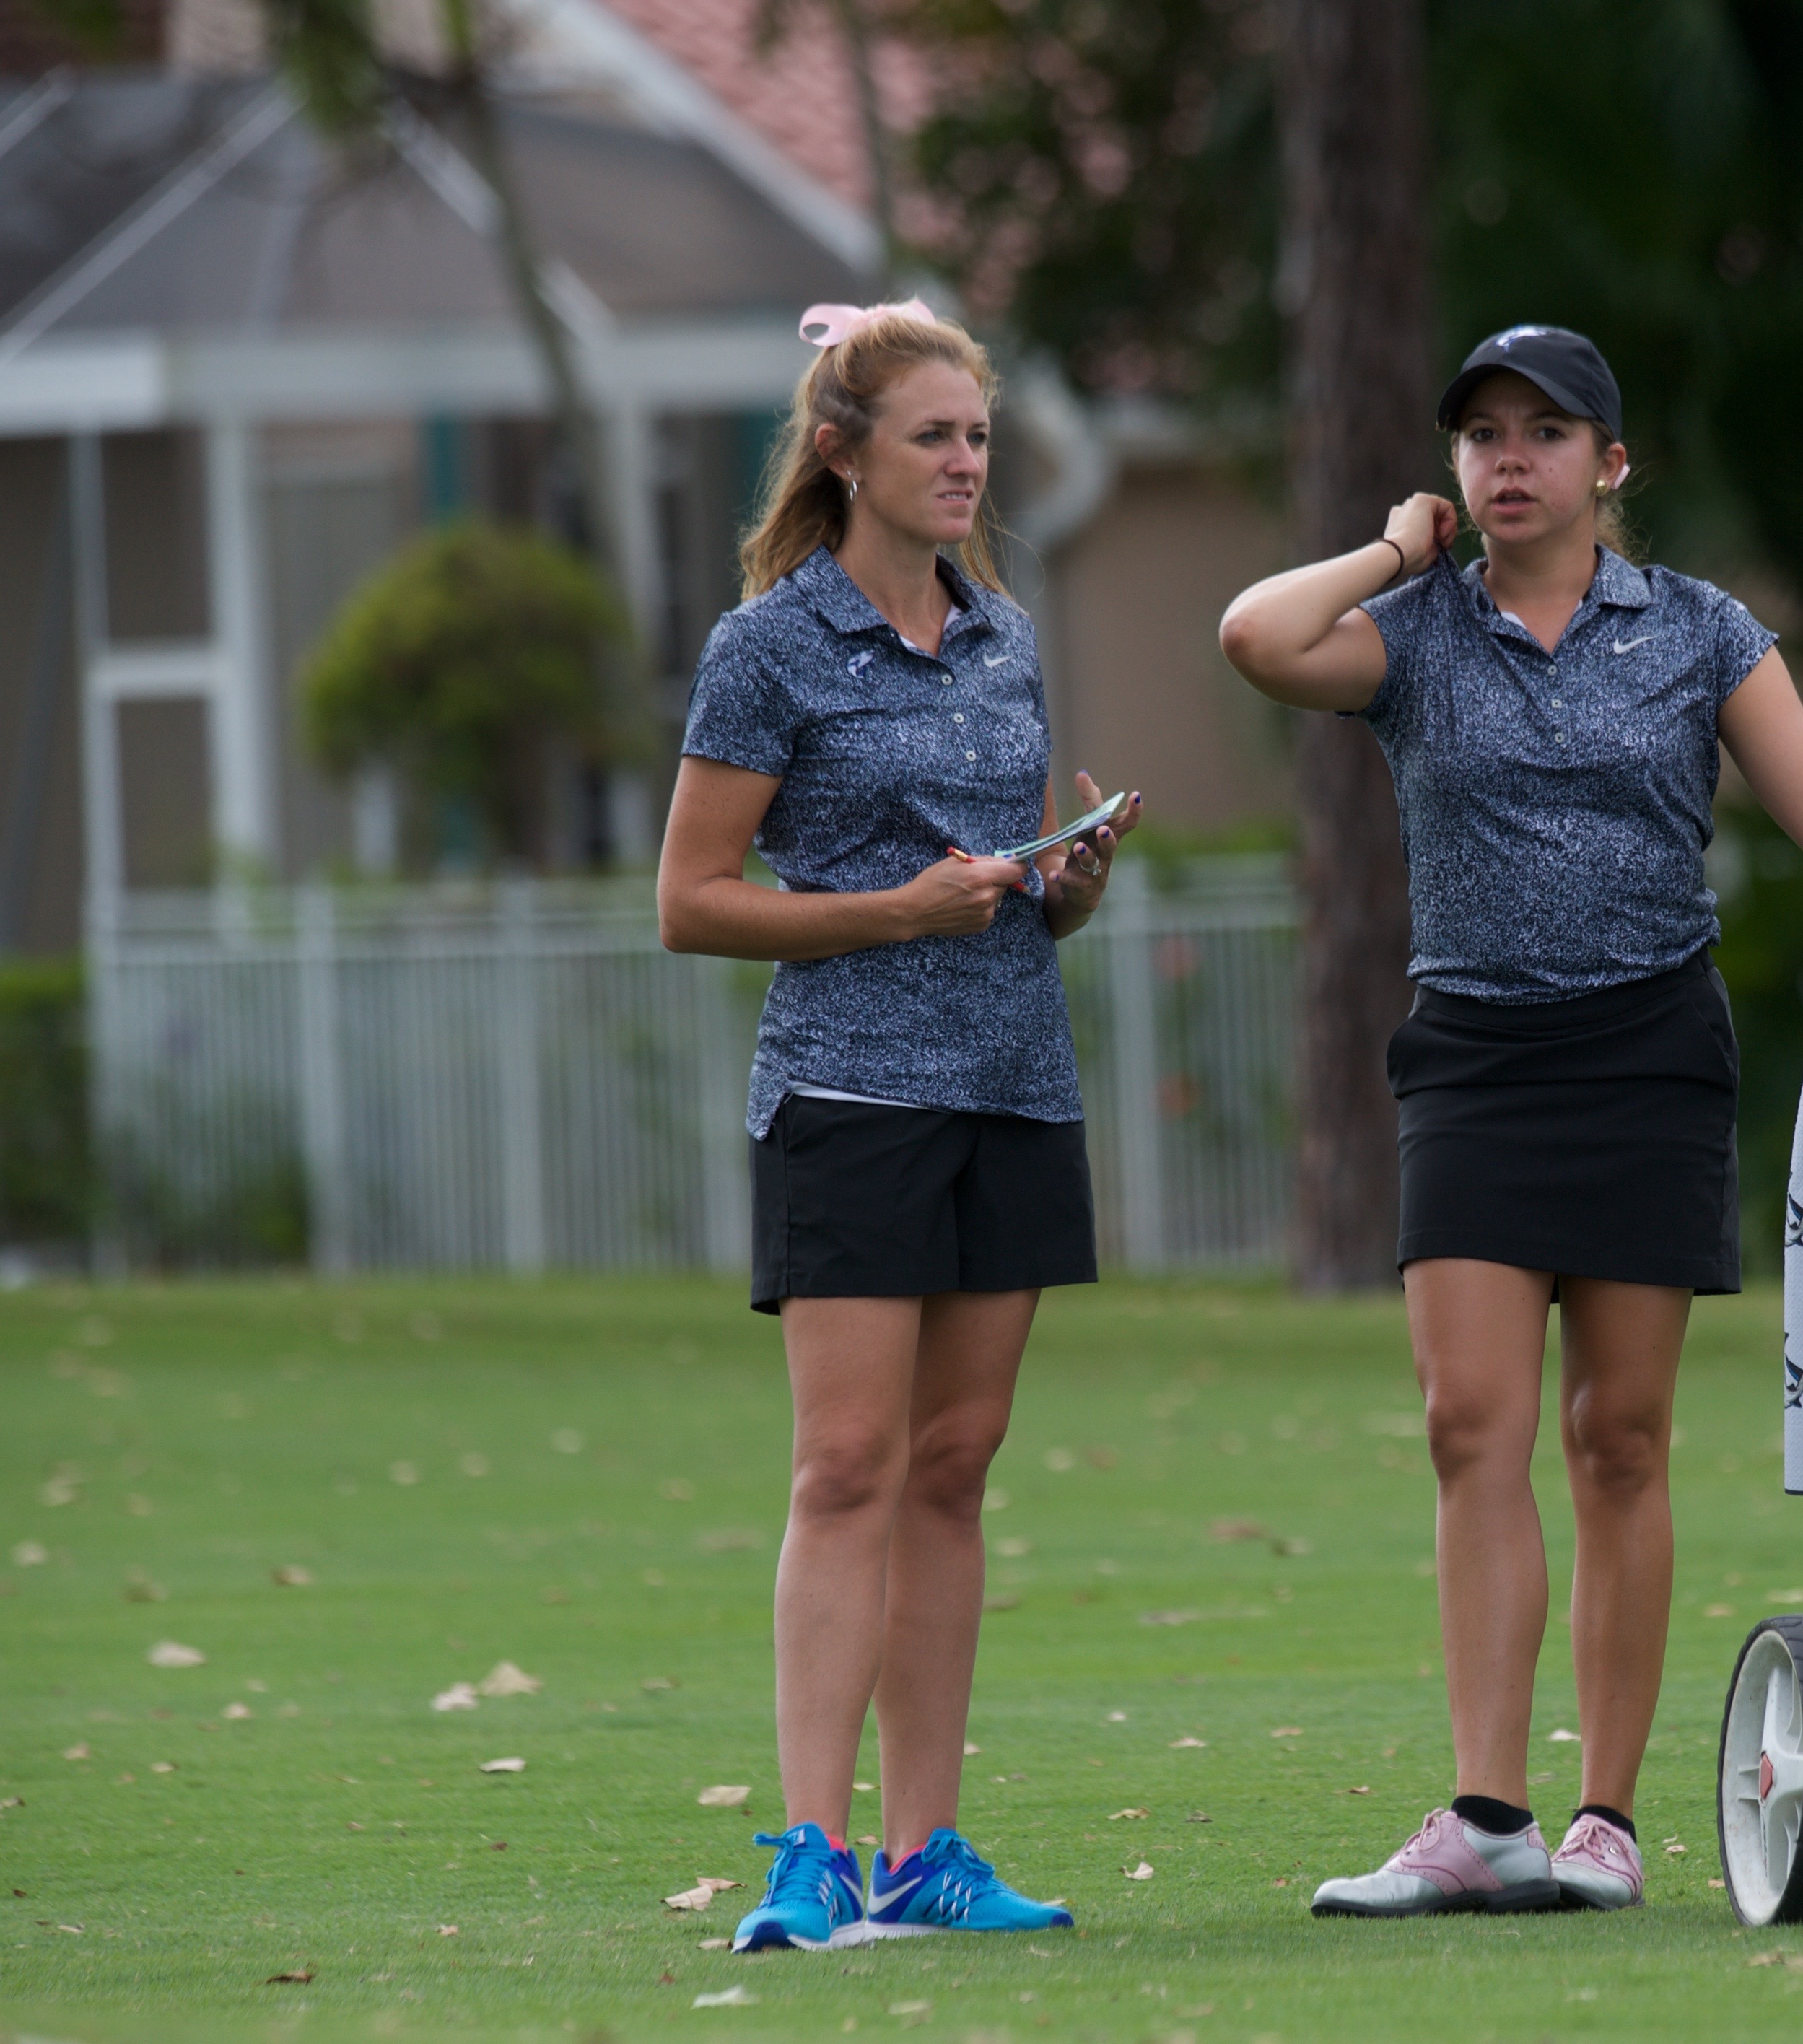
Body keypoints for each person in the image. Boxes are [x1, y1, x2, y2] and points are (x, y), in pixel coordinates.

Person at [1217, 324, 1803, 1915]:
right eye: (1484, 433)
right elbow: (1256, 638)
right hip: (1475, 1060)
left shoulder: (1699, 631)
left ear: (1610, 465)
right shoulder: (1413, 630)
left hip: (1646, 1056)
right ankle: (1487, 1818)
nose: (1511, 459)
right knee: (1467, 1422)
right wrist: (1390, 549)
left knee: (1619, 1439)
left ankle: (1604, 1823)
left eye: (1546, 433)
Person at [657, 299, 1138, 1952]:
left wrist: (1069, 883)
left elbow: (1015, 890)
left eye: (978, 436)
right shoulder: (767, 646)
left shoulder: (1006, 636)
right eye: (934, 435)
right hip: (850, 1099)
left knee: (953, 1467)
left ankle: (926, 1855)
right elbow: (691, 901)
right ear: (844, 453)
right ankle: (810, 1854)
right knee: (849, 1464)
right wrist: (894, 912)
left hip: (1015, 1089)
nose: (965, 463)